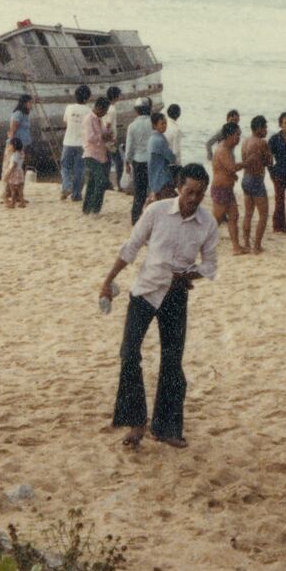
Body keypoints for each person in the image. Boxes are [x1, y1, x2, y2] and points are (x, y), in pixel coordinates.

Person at [99, 164, 219, 449]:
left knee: (172, 361)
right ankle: (136, 422)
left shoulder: (208, 223)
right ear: (179, 188)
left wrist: (189, 275)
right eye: (189, 192)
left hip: (176, 295)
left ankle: (165, 428)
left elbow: (210, 266)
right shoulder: (156, 211)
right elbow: (131, 247)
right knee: (129, 354)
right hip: (145, 290)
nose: (193, 199)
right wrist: (108, 281)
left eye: (200, 194)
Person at [210, 123, 248, 255]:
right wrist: (246, 163)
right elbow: (231, 167)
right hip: (220, 189)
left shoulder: (228, 149)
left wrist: (233, 175)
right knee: (215, 220)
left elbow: (226, 169)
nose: (239, 138)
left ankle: (236, 247)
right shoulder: (223, 150)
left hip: (227, 189)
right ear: (229, 135)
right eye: (237, 135)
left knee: (234, 216)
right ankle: (196, 244)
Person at [239, 115, 273, 255]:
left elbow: (244, 161)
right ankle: (257, 246)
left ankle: (246, 243)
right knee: (263, 214)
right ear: (258, 128)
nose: (266, 129)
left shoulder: (245, 141)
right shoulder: (261, 142)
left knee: (248, 213)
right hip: (256, 180)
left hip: (246, 178)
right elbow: (269, 162)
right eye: (264, 127)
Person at [124, 99, 155, 224]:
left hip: (138, 161)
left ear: (136, 110)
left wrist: (127, 162)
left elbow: (129, 147)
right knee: (152, 190)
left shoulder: (132, 126)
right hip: (152, 161)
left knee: (139, 192)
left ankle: (135, 218)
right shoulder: (153, 123)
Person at [59, 85, 92, 202]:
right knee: (80, 169)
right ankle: (76, 195)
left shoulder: (69, 108)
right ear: (87, 98)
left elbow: (65, 121)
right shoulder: (89, 111)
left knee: (65, 167)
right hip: (82, 144)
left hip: (68, 142)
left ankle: (67, 186)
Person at [82, 96, 113, 215]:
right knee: (101, 181)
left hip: (100, 154)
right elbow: (89, 137)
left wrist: (108, 134)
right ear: (100, 108)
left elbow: (102, 133)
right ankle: (95, 209)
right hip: (91, 154)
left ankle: (87, 209)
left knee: (92, 182)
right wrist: (102, 136)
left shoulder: (99, 119)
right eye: (105, 110)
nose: (105, 113)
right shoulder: (88, 119)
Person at [147, 112, 177, 200]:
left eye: (165, 123)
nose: (165, 125)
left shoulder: (152, 138)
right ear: (154, 125)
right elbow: (172, 158)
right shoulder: (160, 140)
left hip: (154, 179)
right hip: (162, 179)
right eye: (162, 123)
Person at [104, 86, 125, 192]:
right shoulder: (112, 109)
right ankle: (119, 185)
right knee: (119, 162)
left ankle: (107, 184)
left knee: (107, 161)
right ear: (116, 97)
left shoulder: (105, 106)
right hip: (109, 140)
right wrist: (111, 138)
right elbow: (108, 124)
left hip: (104, 139)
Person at [3, 136, 27, 208]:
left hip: (14, 173)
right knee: (20, 189)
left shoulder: (15, 155)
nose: (9, 147)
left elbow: (13, 165)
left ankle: (12, 204)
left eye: (10, 145)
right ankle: (22, 202)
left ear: (14, 146)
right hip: (20, 172)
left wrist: (7, 174)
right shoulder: (21, 153)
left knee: (13, 189)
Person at [164, 103, 184, 183]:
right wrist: (179, 165)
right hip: (172, 164)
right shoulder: (176, 129)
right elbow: (176, 151)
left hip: (162, 160)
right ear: (178, 114)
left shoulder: (164, 125)